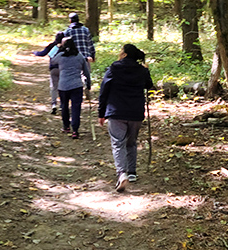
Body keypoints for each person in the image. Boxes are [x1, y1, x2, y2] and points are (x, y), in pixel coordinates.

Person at [98, 43, 154, 192]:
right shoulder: (141, 70)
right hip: (135, 112)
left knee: (118, 143)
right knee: (131, 142)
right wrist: (146, 71)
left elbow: (104, 90)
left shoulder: (113, 69)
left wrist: (101, 113)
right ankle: (132, 172)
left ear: (124, 54)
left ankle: (122, 173)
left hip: (116, 111)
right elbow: (149, 85)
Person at [52, 36, 91, 139]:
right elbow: (86, 72)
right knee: (76, 108)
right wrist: (88, 84)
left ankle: (66, 126)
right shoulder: (79, 56)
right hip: (76, 85)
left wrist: (60, 49)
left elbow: (53, 60)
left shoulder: (60, 56)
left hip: (63, 85)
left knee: (64, 106)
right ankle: (75, 130)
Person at [32, 32, 64, 115]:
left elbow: (42, 53)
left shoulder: (52, 45)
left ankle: (54, 104)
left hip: (53, 68)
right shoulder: (66, 46)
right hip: (63, 69)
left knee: (54, 87)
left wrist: (34, 52)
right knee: (63, 87)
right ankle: (62, 105)